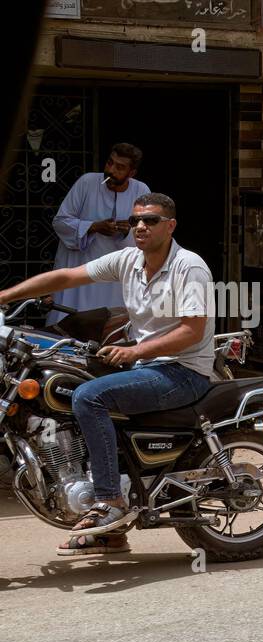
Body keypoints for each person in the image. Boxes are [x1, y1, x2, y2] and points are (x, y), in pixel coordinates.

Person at [0, 192, 215, 556]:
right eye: (135, 221)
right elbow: (68, 276)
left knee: (90, 396)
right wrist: (4, 296)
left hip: (182, 371)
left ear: (170, 225)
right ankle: (111, 530)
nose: (141, 227)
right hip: (146, 366)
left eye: (150, 220)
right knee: (70, 385)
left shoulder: (188, 266)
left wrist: (134, 351)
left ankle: (110, 501)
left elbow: (192, 331)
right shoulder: (129, 260)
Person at [51, 143, 151, 314]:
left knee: (111, 325)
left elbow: (149, 233)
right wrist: (93, 227)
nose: (111, 170)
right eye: (110, 163)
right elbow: (60, 222)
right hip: (81, 270)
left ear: (131, 173)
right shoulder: (87, 182)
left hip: (116, 279)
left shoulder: (141, 190)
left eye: (119, 167)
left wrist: (128, 231)